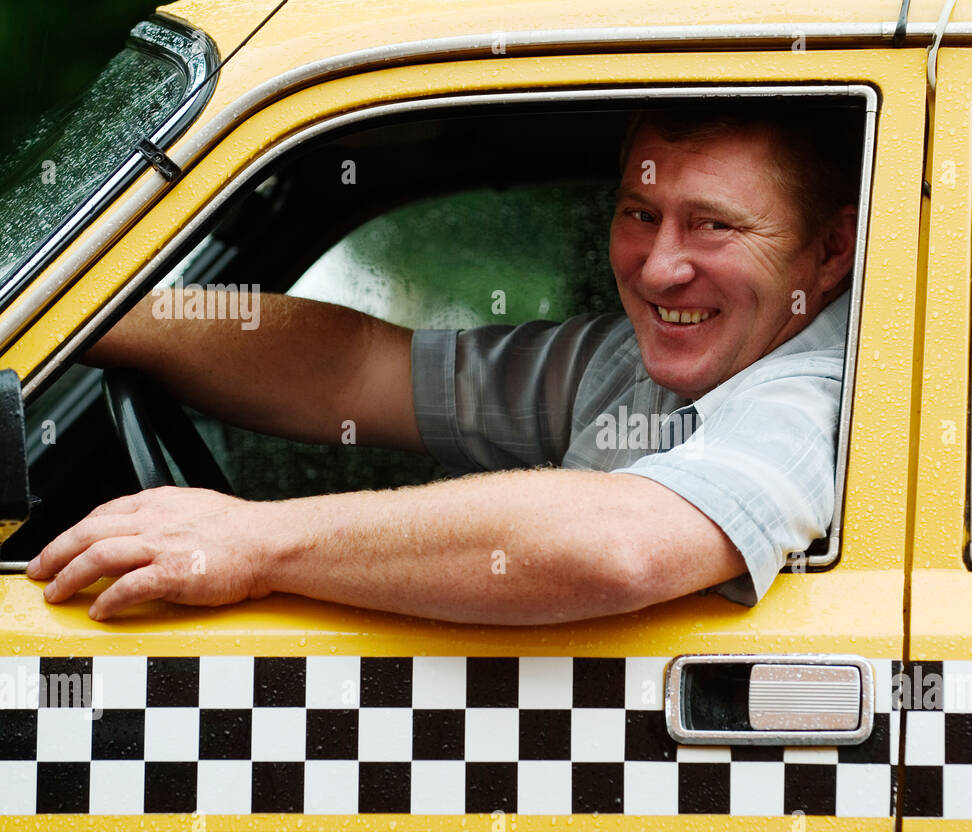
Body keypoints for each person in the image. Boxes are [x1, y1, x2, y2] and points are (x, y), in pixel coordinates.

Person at [25, 104, 861, 623]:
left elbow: (620, 545)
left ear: (831, 252)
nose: (656, 268)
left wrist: (254, 542)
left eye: (714, 226)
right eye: (641, 213)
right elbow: (359, 371)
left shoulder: (830, 397)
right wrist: (83, 315)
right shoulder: (637, 358)